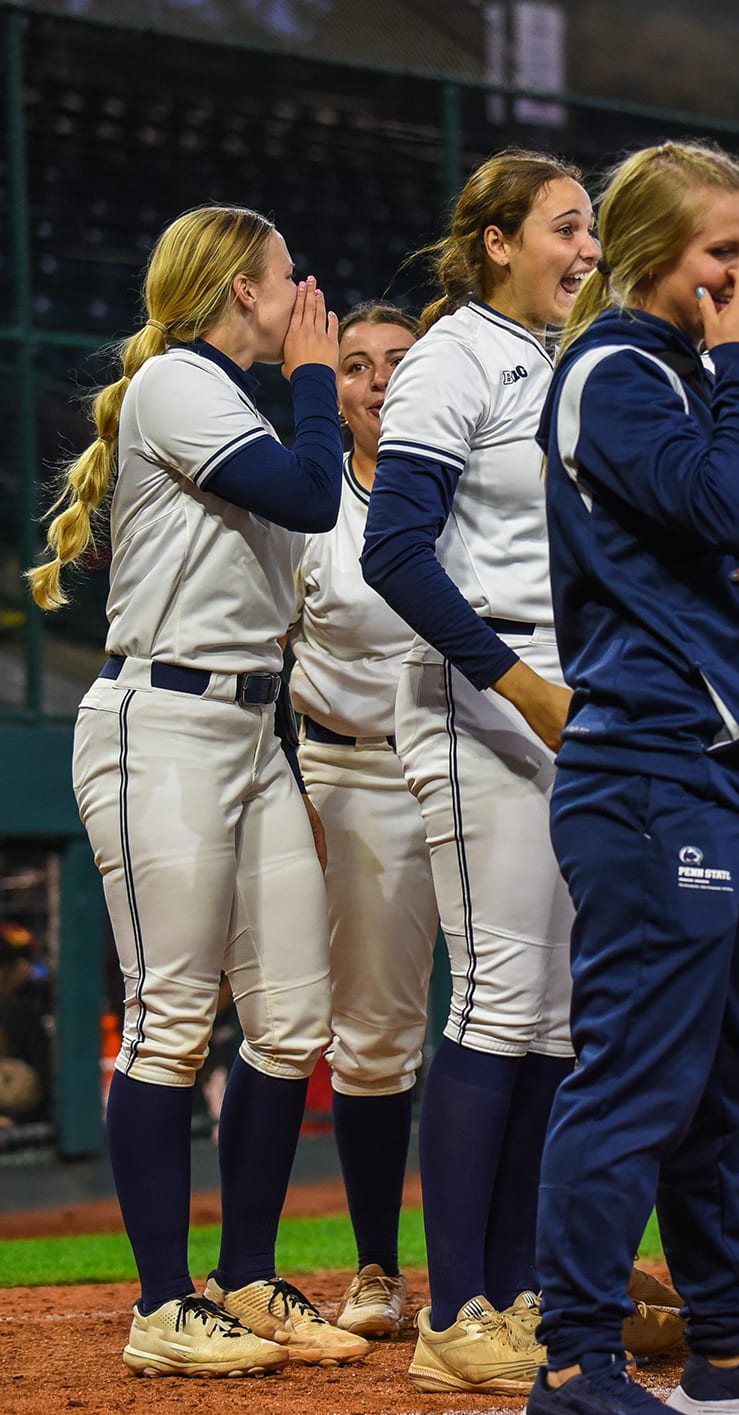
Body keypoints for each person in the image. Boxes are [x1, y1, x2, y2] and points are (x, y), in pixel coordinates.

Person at [530, 137, 739, 1415]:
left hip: (723, 772)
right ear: (648, 253)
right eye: (723, 254)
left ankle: (729, 1346)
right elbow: (723, 501)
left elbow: (732, 534)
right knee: (634, 1077)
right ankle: (574, 1359)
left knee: (731, 1085)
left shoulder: (670, 370)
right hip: (652, 771)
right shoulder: (614, 369)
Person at [32, 205, 365, 1375]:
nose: (302, 293)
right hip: (159, 723)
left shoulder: (224, 394)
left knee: (290, 1019)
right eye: (286, 276)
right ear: (238, 290)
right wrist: (321, 380)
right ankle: (163, 1304)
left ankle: (250, 1275)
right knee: (174, 1016)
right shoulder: (181, 380)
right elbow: (313, 493)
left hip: (245, 726)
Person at [361, 148, 601, 1395]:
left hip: (569, 704)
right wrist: (521, 688)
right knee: (497, 1004)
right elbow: (394, 555)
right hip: (480, 703)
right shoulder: (455, 355)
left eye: (593, 227)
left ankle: (513, 1292)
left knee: (554, 1020)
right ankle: (454, 1308)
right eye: (566, 226)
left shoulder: (563, 359)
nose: (587, 248)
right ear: (497, 239)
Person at [289, 301, 433, 1340]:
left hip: (490, 760)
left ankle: (529, 1261)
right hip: (355, 778)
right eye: (354, 365)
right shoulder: (305, 503)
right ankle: (380, 1267)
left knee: (540, 1015)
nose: (376, 380)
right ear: (331, 387)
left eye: (398, 362)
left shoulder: (480, 491)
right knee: (374, 1040)